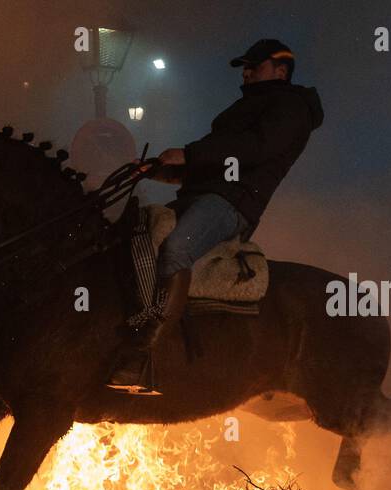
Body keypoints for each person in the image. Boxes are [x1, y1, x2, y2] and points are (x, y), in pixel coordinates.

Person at [109, 38, 324, 394]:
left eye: (255, 65)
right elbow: (212, 163)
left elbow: (255, 150)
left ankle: (145, 353)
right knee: (134, 240)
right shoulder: (243, 110)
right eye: (245, 65)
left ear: (281, 70)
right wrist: (157, 170)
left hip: (232, 203)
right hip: (201, 196)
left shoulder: (291, 107)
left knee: (177, 249)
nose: (247, 71)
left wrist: (189, 154)